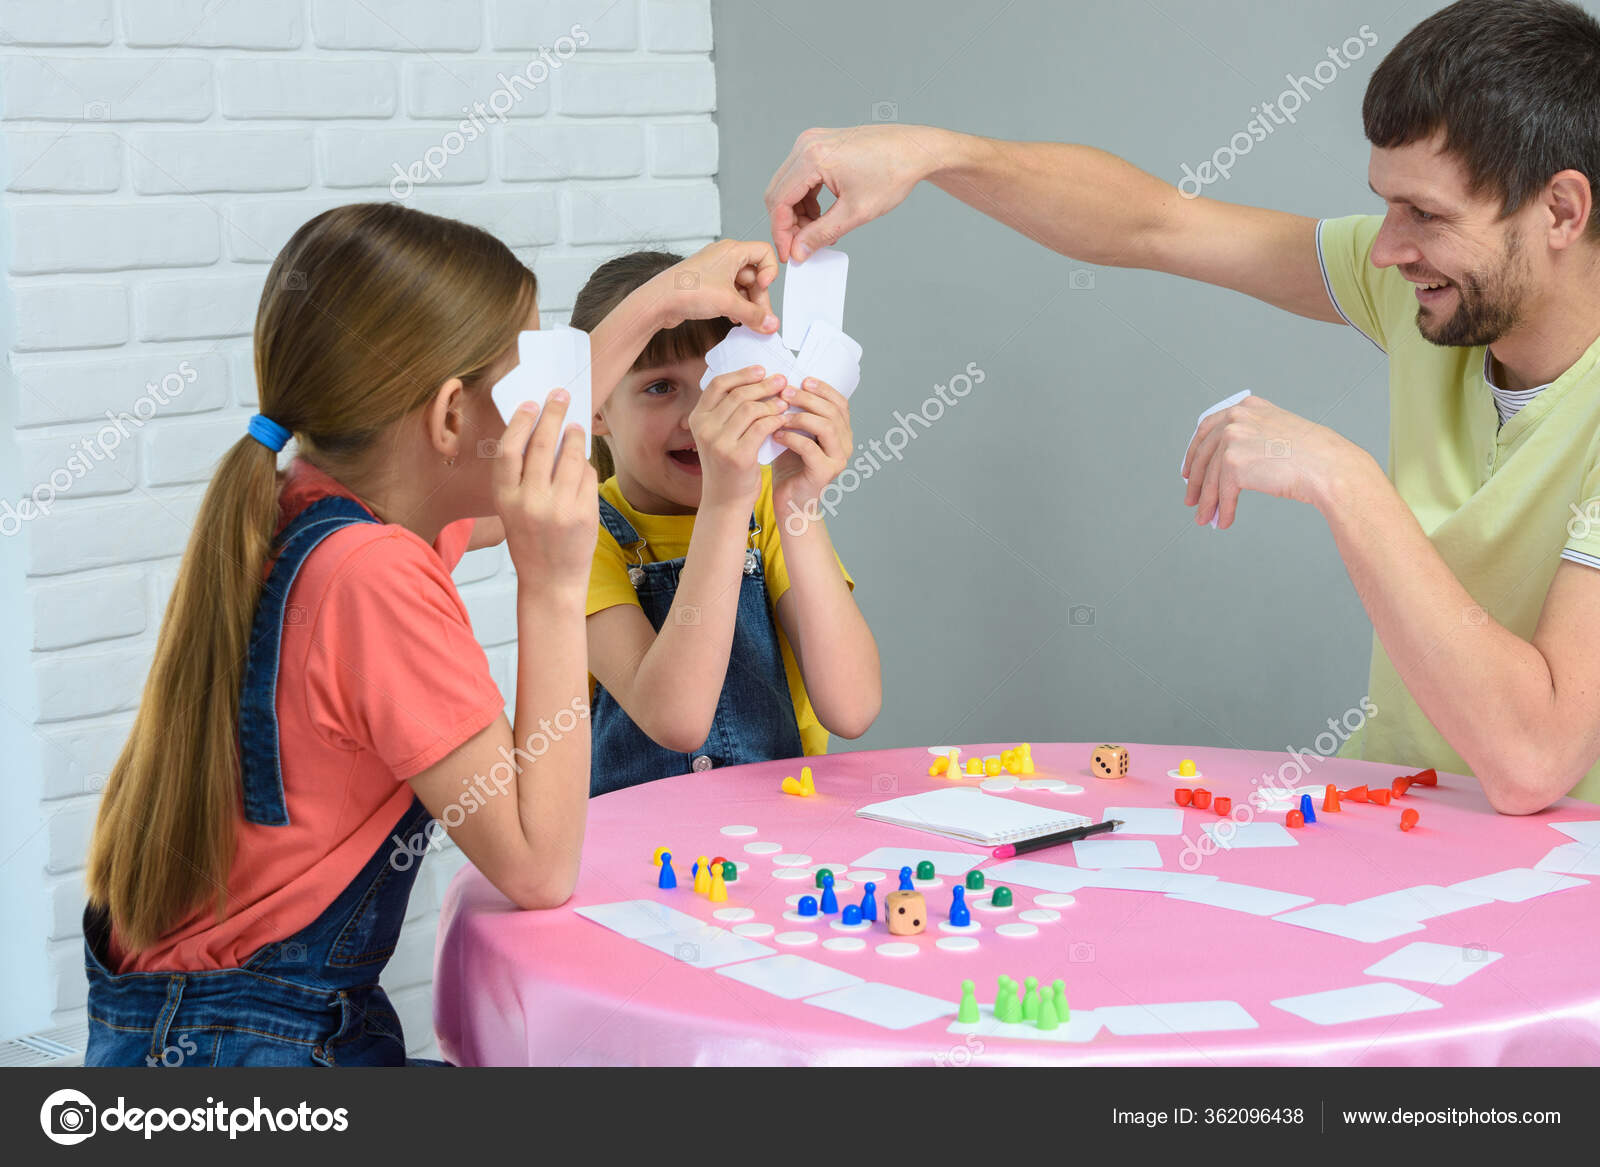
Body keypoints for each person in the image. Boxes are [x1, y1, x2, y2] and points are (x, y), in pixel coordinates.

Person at [763, 0, 1600, 813]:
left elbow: (1532, 762)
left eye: (1425, 214)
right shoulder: (1427, 294)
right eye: (1386, 204)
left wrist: (1346, 481)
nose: (1386, 248)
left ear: (1562, 209)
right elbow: (1155, 223)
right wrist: (935, 152)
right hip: (1399, 827)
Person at [82, 203, 782, 1065]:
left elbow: (546, 441)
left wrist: (662, 302)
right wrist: (552, 584)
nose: (547, 410)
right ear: (453, 417)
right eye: (523, 383)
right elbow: (536, 867)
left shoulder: (317, 504)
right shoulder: (376, 579)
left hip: (190, 1027)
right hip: (253, 1050)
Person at [571, 251, 881, 794]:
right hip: (638, 847)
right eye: (660, 386)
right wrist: (723, 504)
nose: (701, 415)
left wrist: (797, 506)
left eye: (723, 380)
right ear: (597, 410)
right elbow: (678, 721)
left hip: (776, 826)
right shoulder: (581, 531)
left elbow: (851, 709)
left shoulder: (768, 506)